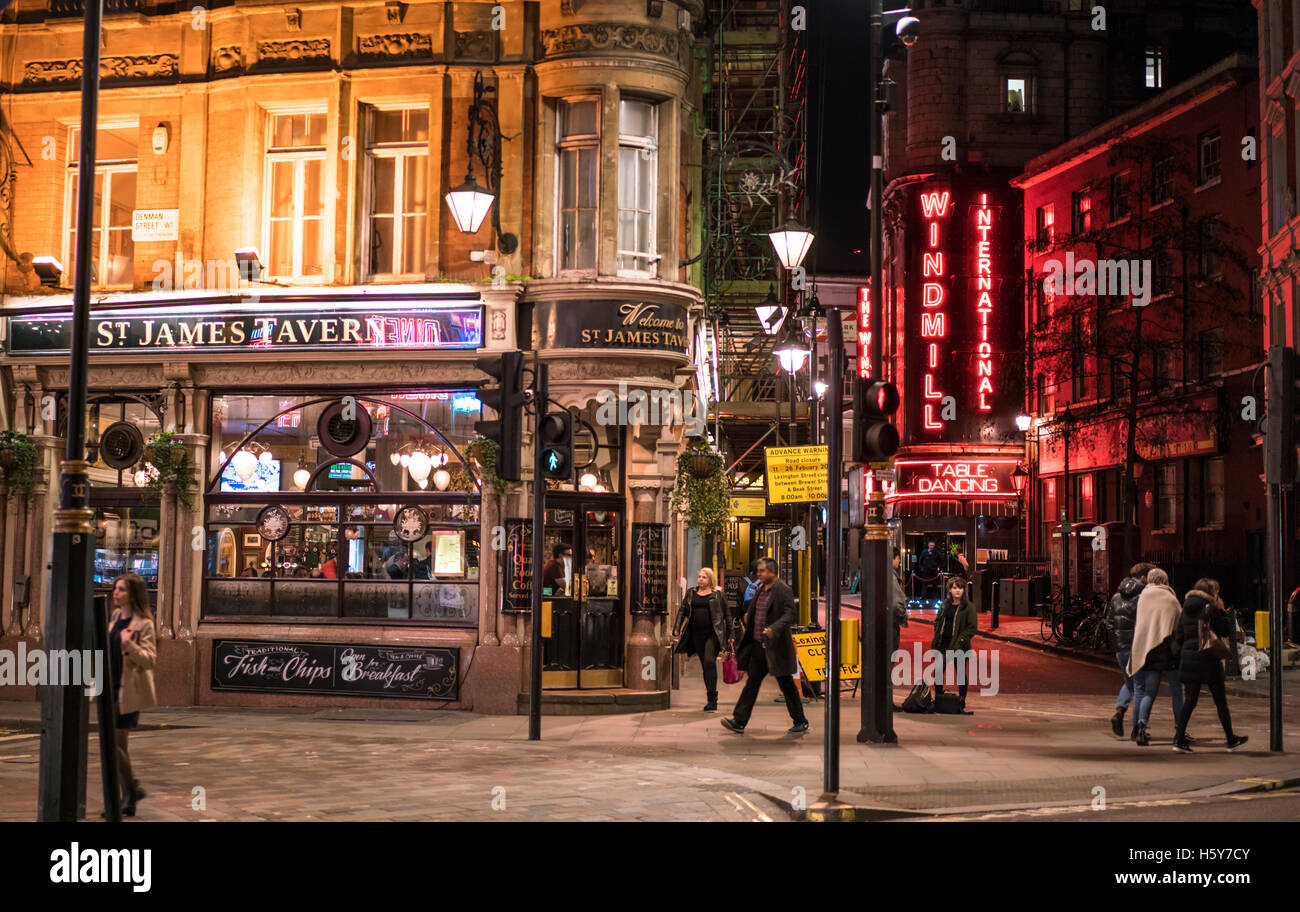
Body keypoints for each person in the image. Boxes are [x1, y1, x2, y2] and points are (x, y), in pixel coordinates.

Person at [722, 558, 809, 734]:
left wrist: (774, 629)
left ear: (772, 572)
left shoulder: (783, 590)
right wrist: (748, 617)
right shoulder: (761, 589)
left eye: (762, 571)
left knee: (787, 684)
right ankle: (739, 720)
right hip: (758, 647)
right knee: (752, 683)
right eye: (759, 571)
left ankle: (800, 720)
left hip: (776, 647)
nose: (758, 574)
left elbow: (790, 614)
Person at [1173, 579, 1248, 753]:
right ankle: (1230, 740)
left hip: (1189, 659)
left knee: (1190, 701)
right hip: (1208, 660)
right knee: (1220, 701)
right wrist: (1222, 610)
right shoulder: (1210, 608)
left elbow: (1179, 635)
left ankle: (1179, 739)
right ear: (1212, 593)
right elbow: (1224, 631)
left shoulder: (1186, 609)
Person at [108, 572, 157, 817]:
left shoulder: (144, 623)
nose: (115, 593)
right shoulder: (116, 616)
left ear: (133, 594)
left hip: (128, 690)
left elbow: (150, 660)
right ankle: (129, 793)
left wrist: (130, 645)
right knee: (119, 745)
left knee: (113, 742)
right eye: (115, 589)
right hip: (111, 686)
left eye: (121, 589)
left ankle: (128, 792)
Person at [1126, 567, 1184, 746]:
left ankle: (1141, 727)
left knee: (1149, 693)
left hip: (1148, 650)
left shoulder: (1143, 597)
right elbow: (1178, 624)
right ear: (1165, 580)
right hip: (1168, 651)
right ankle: (1179, 730)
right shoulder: (1171, 598)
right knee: (1176, 691)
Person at [1105, 562, 1155, 738]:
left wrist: (1116, 642)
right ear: (1143, 577)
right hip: (1137, 646)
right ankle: (1137, 728)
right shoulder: (1144, 596)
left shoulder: (1116, 596)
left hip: (1121, 648)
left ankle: (1120, 711)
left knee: (1130, 683)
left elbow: (1109, 623)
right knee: (1140, 687)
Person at [672, 568, 733, 711]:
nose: (700, 579)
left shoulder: (717, 595)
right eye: (699, 576)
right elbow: (682, 611)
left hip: (713, 634)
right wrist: (677, 627)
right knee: (706, 666)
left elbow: (727, 615)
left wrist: (731, 635)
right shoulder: (691, 593)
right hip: (696, 634)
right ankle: (710, 697)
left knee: (709, 661)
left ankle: (713, 699)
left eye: (704, 577)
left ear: (710, 579)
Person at [932, 576, 977, 705]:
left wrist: (960, 641)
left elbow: (972, 627)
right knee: (939, 671)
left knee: (961, 672)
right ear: (950, 590)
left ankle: (962, 699)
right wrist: (937, 636)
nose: (957, 591)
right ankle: (939, 697)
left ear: (964, 590)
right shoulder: (945, 605)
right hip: (944, 644)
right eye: (954, 588)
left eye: (960, 588)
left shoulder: (968, 607)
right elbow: (937, 621)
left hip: (960, 646)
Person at [890, 548, 909, 654]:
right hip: (891, 623)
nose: (899, 561)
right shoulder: (891, 577)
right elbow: (897, 604)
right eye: (897, 558)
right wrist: (903, 618)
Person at [916, 540, 942, 605]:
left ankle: (935, 597)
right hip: (926, 571)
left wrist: (938, 567)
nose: (931, 547)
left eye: (933, 545)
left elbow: (941, 560)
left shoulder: (937, 552)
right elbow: (920, 561)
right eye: (930, 545)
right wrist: (922, 568)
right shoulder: (924, 552)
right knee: (924, 584)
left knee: (935, 585)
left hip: (934, 571)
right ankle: (923, 596)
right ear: (928, 545)